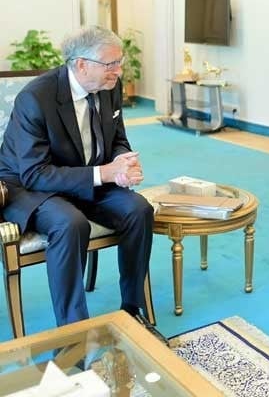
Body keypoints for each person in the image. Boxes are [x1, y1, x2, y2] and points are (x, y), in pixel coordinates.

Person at [0, 26, 154, 328]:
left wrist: (122, 163)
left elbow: (117, 137)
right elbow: (35, 173)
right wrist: (103, 173)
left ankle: (132, 312)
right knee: (70, 223)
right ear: (81, 64)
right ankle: (74, 333)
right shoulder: (36, 98)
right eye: (111, 64)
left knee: (139, 210)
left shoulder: (110, 86)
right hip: (31, 187)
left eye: (119, 62)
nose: (118, 71)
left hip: (87, 176)